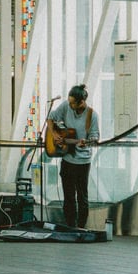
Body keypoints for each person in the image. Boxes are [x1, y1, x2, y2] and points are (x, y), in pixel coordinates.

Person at [46, 84, 100, 228]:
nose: (70, 105)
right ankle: (70, 226)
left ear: (81, 102)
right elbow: (50, 118)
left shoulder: (92, 115)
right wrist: (54, 134)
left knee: (82, 197)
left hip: (83, 162)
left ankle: (81, 227)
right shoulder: (66, 106)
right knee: (68, 197)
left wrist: (87, 142)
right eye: (69, 102)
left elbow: (95, 137)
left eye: (73, 103)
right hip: (67, 159)